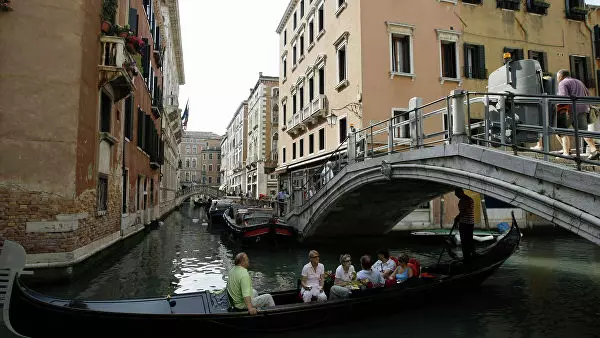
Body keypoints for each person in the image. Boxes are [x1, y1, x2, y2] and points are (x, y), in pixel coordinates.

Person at [555, 69, 599, 160]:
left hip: (569, 110)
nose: (557, 79)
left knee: (560, 130)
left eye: (557, 77)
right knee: (583, 131)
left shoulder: (563, 83)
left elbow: (563, 98)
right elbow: (587, 93)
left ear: (561, 76)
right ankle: (594, 150)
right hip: (582, 109)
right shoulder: (579, 82)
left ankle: (566, 152)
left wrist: (557, 109)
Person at [454, 188, 476, 263]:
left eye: (456, 194)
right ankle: (466, 256)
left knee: (468, 240)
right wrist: (458, 219)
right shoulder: (461, 201)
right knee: (464, 241)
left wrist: (457, 217)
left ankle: (471, 255)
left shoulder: (469, 200)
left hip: (469, 223)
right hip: (463, 223)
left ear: (460, 193)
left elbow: (467, 211)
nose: (456, 195)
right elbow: (462, 212)